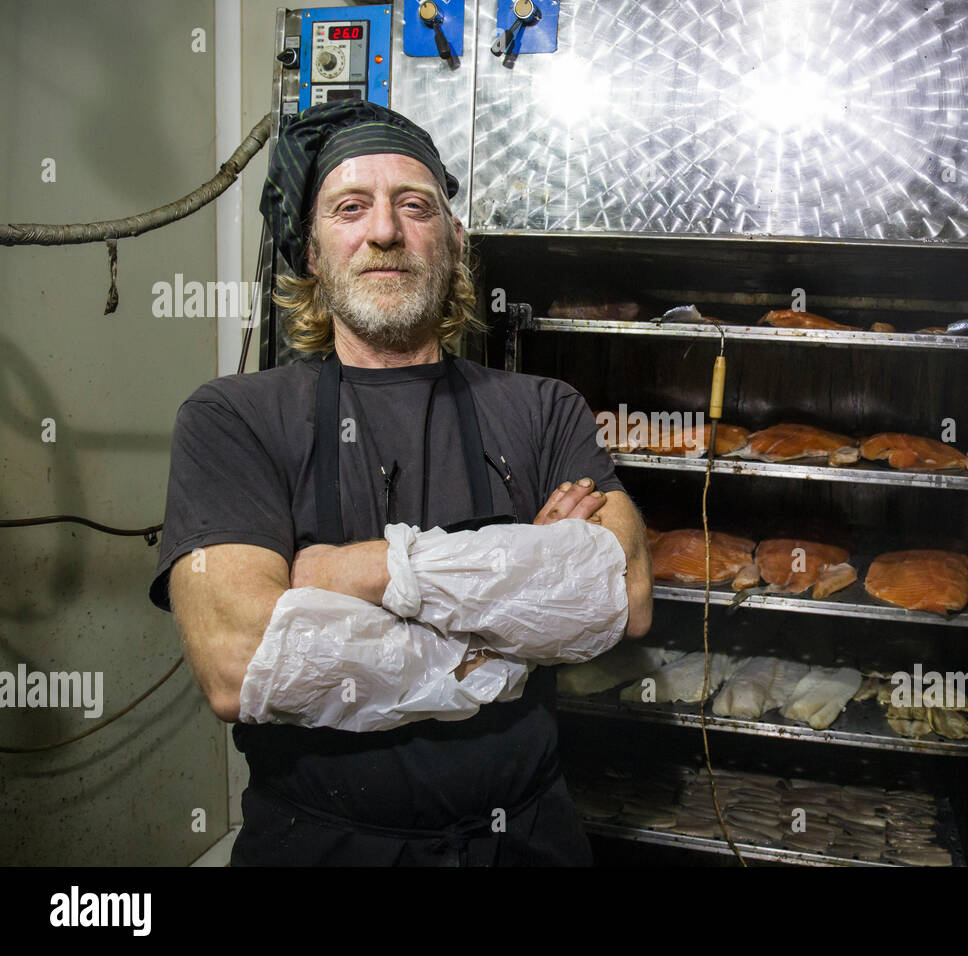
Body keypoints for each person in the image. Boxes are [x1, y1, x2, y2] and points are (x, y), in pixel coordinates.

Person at [148, 100, 654, 866]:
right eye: (351, 208)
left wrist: (346, 573)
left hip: (524, 842)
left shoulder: (542, 407)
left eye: (413, 207)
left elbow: (623, 596)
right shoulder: (234, 419)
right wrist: (517, 611)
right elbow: (243, 661)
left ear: (452, 244)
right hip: (321, 846)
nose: (384, 232)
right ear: (313, 252)